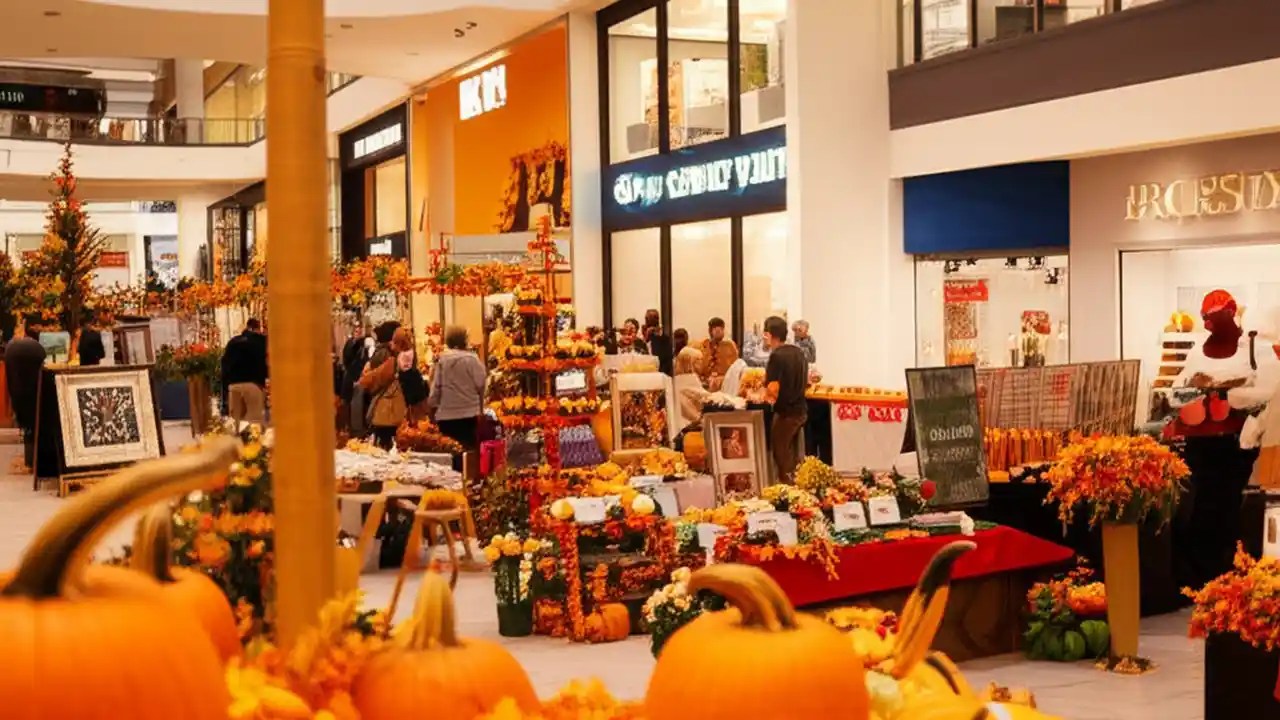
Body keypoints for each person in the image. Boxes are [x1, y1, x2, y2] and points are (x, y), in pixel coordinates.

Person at [763, 315, 808, 483]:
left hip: (785, 413)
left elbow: (772, 388)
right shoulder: (798, 352)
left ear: (768, 334)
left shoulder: (777, 356)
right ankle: (799, 484)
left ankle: (788, 489)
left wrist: (762, 396)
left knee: (781, 452)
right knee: (795, 453)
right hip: (801, 409)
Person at [428, 325, 488, 451]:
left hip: (446, 416)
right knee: (469, 451)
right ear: (464, 340)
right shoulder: (472, 360)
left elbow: (436, 388)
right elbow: (481, 385)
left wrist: (432, 409)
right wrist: (481, 408)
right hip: (469, 415)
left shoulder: (442, 361)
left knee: (449, 450)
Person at [359, 321, 406, 449]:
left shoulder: (381, 351)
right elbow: (379, 378)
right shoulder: (386, 354)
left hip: (381, 406)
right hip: (386, 407)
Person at [5, 320, 46, 468]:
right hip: (35, 393)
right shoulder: (37, 349)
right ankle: (34, 461)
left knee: (26, 427)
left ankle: (29, 461)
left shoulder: (11, 349)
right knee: (34, 426)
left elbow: (10, 376)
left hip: (18, 392)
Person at [221, 318, 269, 428]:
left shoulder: (233, 342)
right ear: (257, 328)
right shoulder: (261, 341)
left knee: (235, 422)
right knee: (254, 422)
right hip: (254, 385)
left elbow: (224, 366)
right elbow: (268, 361)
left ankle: (236, 443)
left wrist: (225, 391)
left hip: (233, 386)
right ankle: (252, 444)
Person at [672, 346, 708, 432]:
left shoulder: (676, 380)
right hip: (692, 426)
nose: (702, 363)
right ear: (690, 362)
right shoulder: (689, 378)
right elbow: (707, 399)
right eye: (699, 360)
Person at [697, 317, 739, 390]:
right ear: (710, 331)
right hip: (706, 384)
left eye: (720, 330)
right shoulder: (704, 345)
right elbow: (701, 367)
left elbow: (735, 368)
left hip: (725, 384)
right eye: (715, 330)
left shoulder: (730, 346)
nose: (719, 333)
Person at [643, 309, 673, 376]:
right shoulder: (642, 335)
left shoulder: (664, 338)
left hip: (661, 372)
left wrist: (658, 335)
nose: (649, 321)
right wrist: (646, 337)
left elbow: (667, 359)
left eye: (652, 318)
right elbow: (640, 351)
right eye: (647, 318)